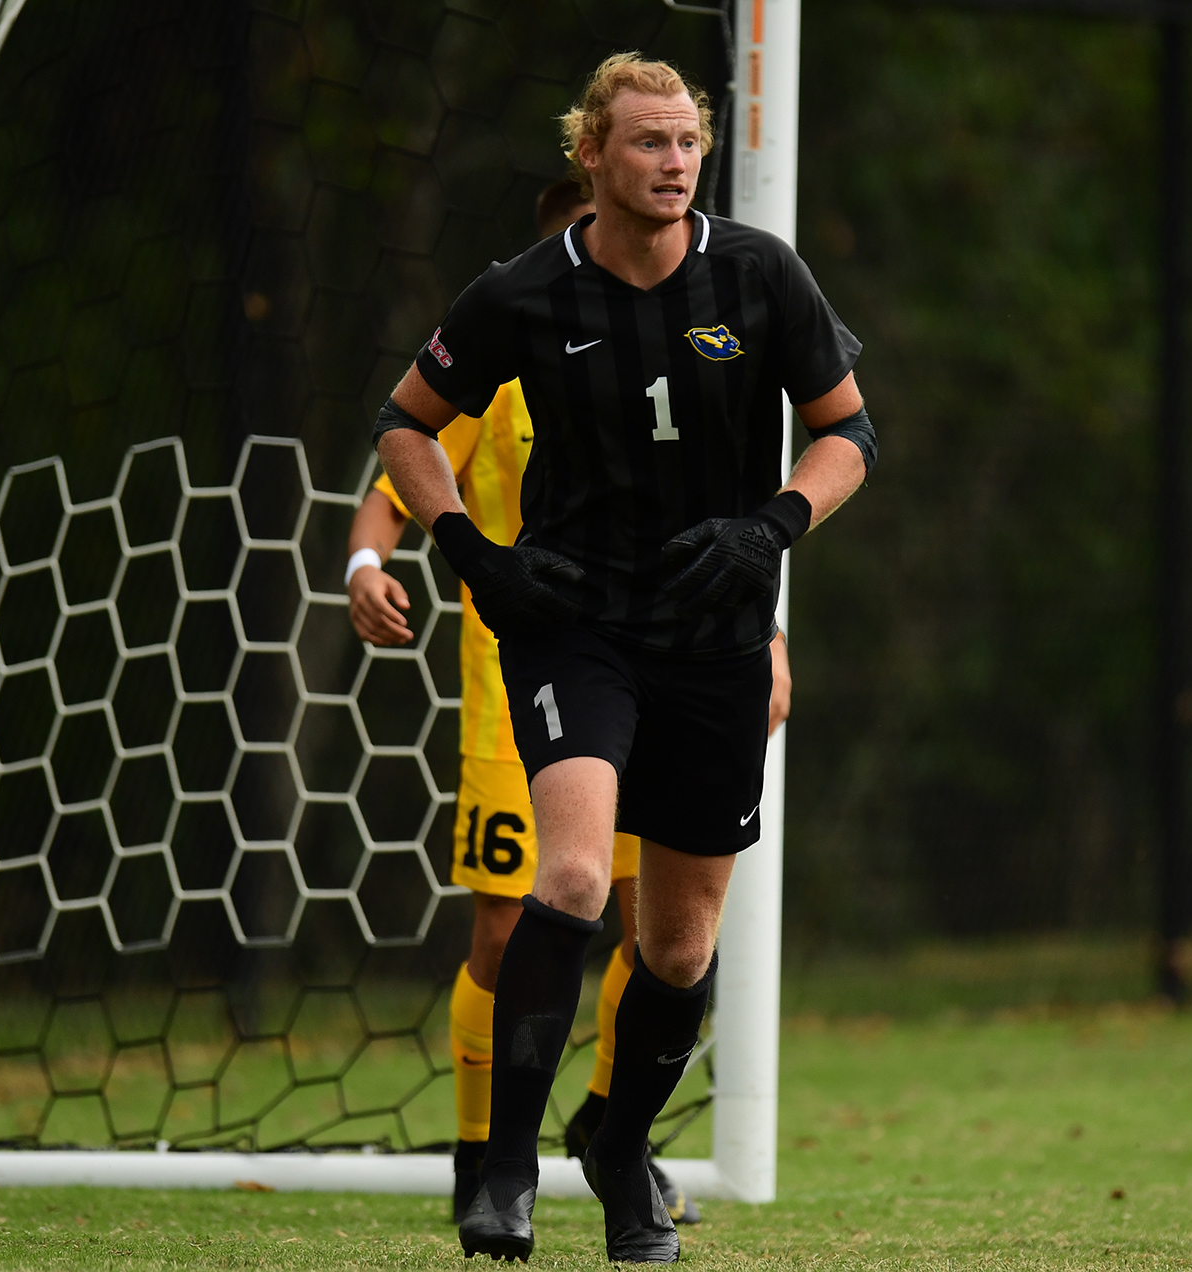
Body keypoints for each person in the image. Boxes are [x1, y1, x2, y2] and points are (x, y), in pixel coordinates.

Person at [372, 52, 872, 1264]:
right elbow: (403, 425)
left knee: (679, 945)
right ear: (588, 154)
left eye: (686, 143)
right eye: (645, 142)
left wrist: (774, 525)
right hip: (573, 622)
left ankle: (617, 1149)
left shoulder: (757, 273)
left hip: (713, 635)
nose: (671, 162)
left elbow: (847, 432)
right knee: (576, 879)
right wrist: (468, 551)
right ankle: (500, 1168)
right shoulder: (521, 293)